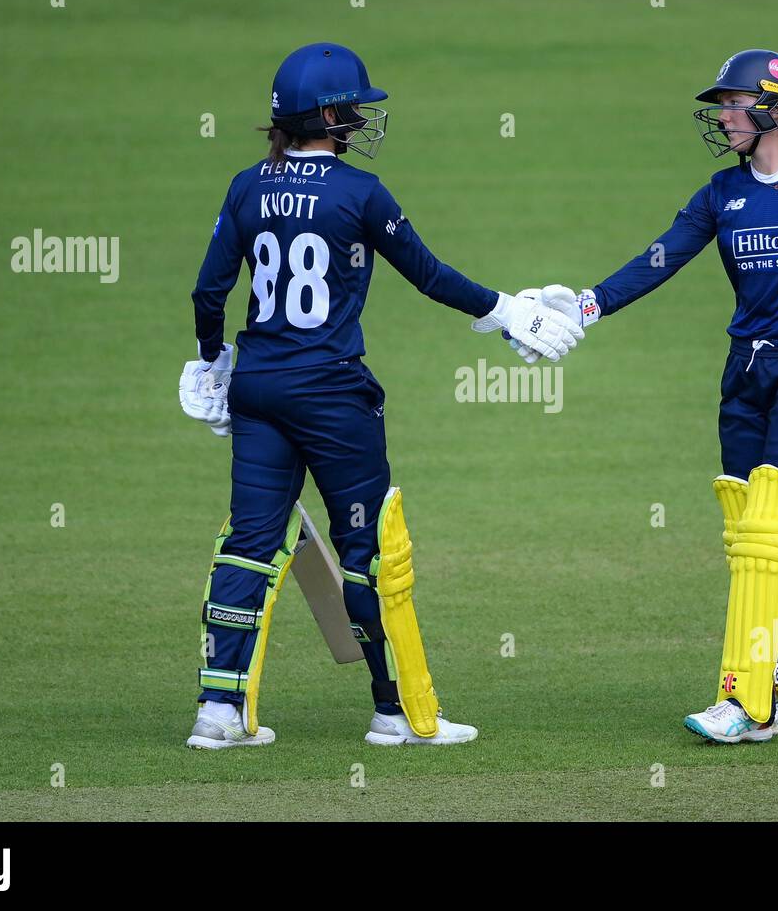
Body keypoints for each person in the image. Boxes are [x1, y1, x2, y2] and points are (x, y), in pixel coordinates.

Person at [513, 49, 778, 743]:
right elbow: (662, 257)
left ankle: (746, 702)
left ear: (777, 108)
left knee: (771, 542)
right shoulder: (722, 193)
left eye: (733, 102)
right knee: (768, 544)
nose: (721, 115)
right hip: (745, 380)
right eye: (719, 104)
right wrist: (585, 307)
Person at [178, 42, 584, 749]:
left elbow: (208, 291)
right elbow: (428, 275)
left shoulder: (246, 187)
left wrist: (214, 364)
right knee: (368, 550)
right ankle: (396, 715)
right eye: (353, 106)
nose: (363, 116)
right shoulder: (360, 194)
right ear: (328, 115)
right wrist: (508, 311)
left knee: (247, 544)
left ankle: (218, 711)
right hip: (333, 395)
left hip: (260, 388)